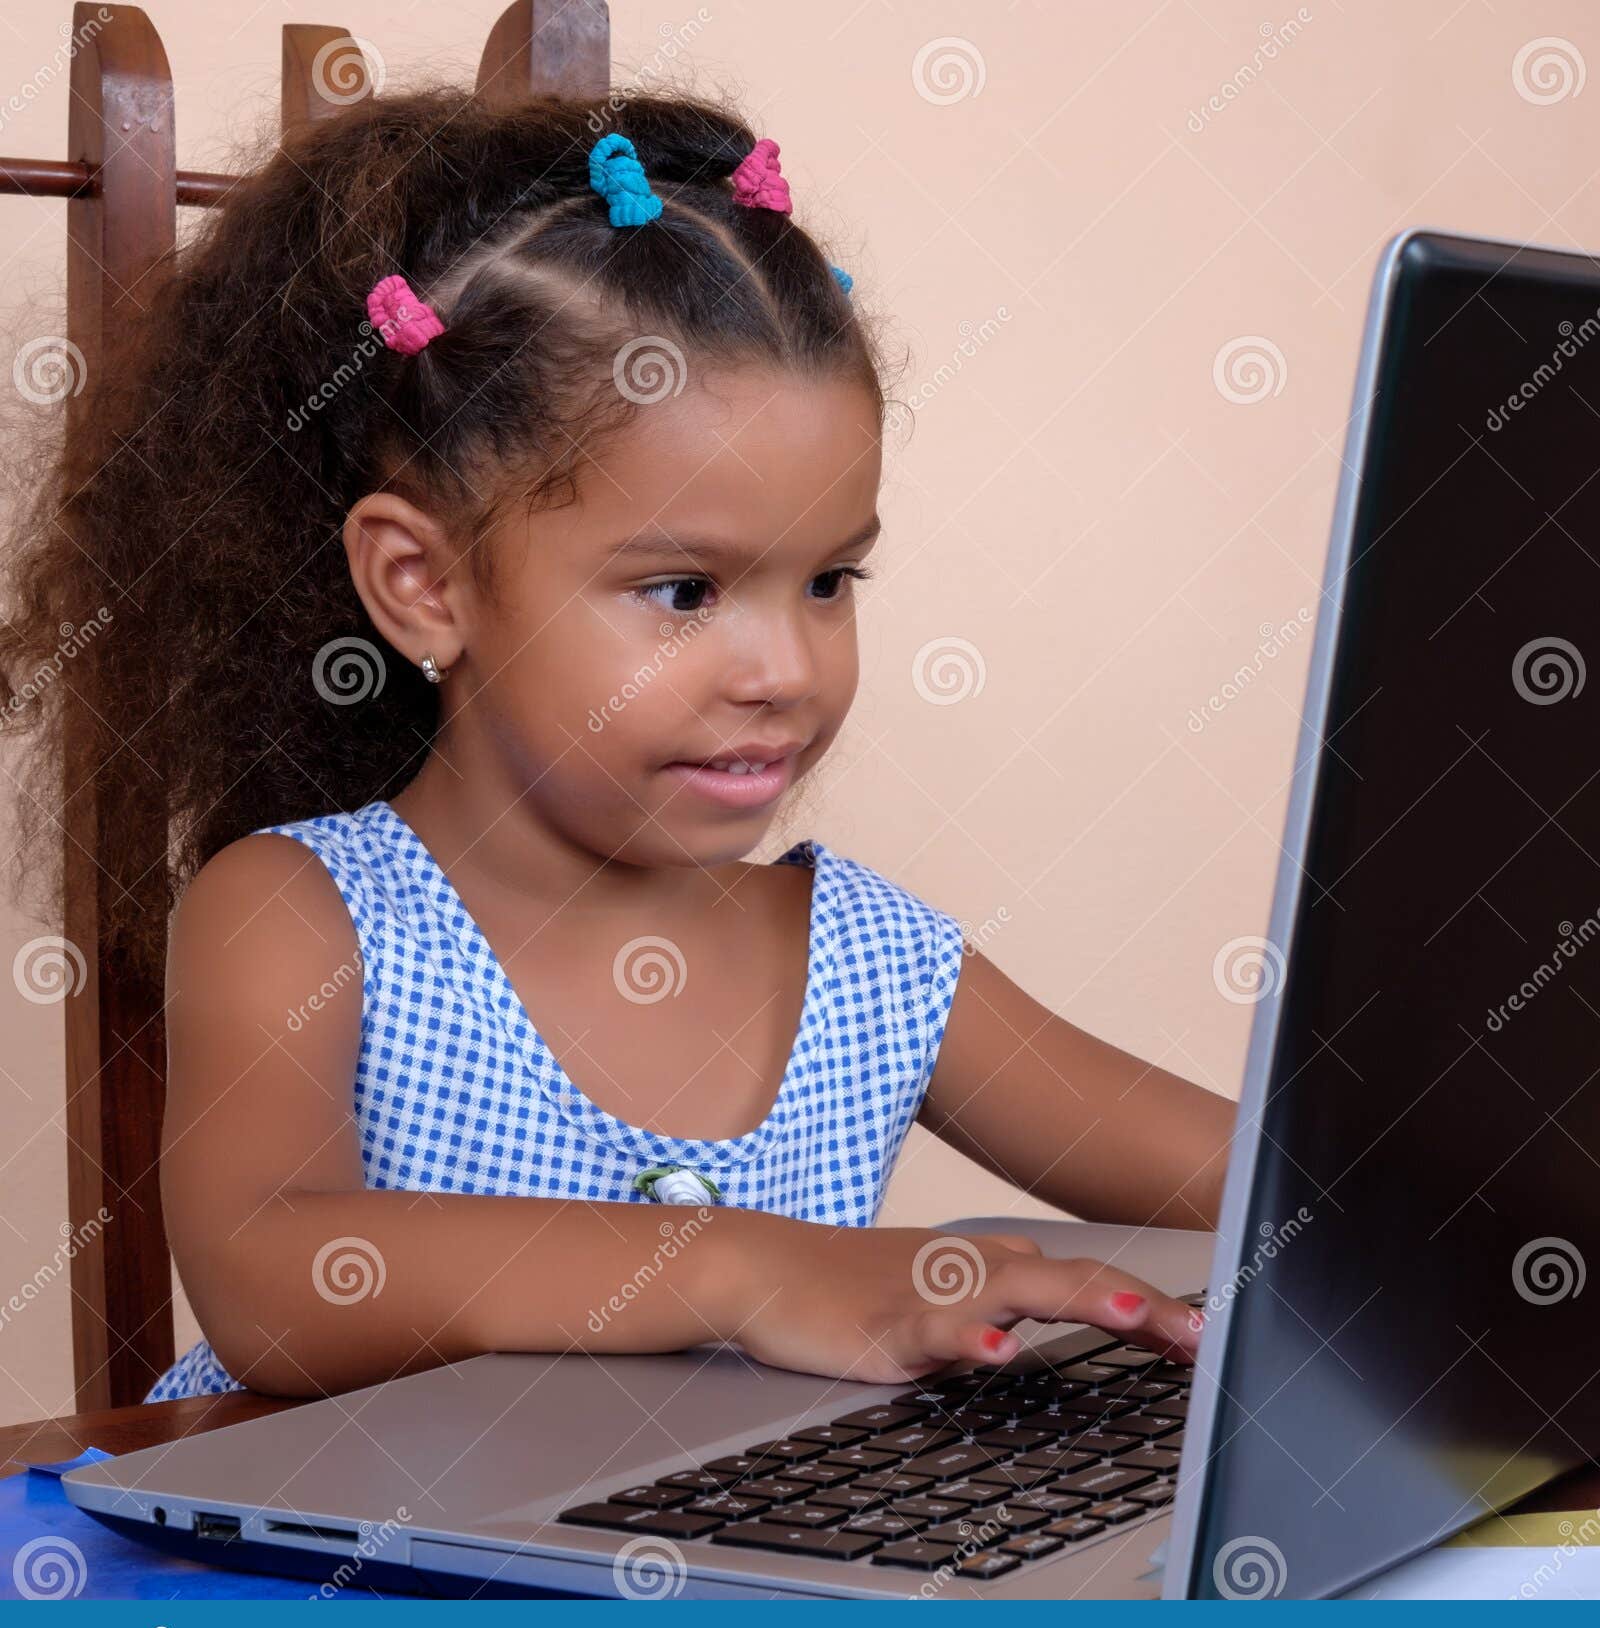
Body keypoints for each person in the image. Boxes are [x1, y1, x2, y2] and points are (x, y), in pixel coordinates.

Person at [0, 89, 1232, 1405]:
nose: (784, 671)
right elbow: (271, 1276)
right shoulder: (306, 916)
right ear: (423, 583)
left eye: (829, 582)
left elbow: (1284, 1184)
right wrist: (749, 1269)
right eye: (685, 591)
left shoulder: (871, 963)